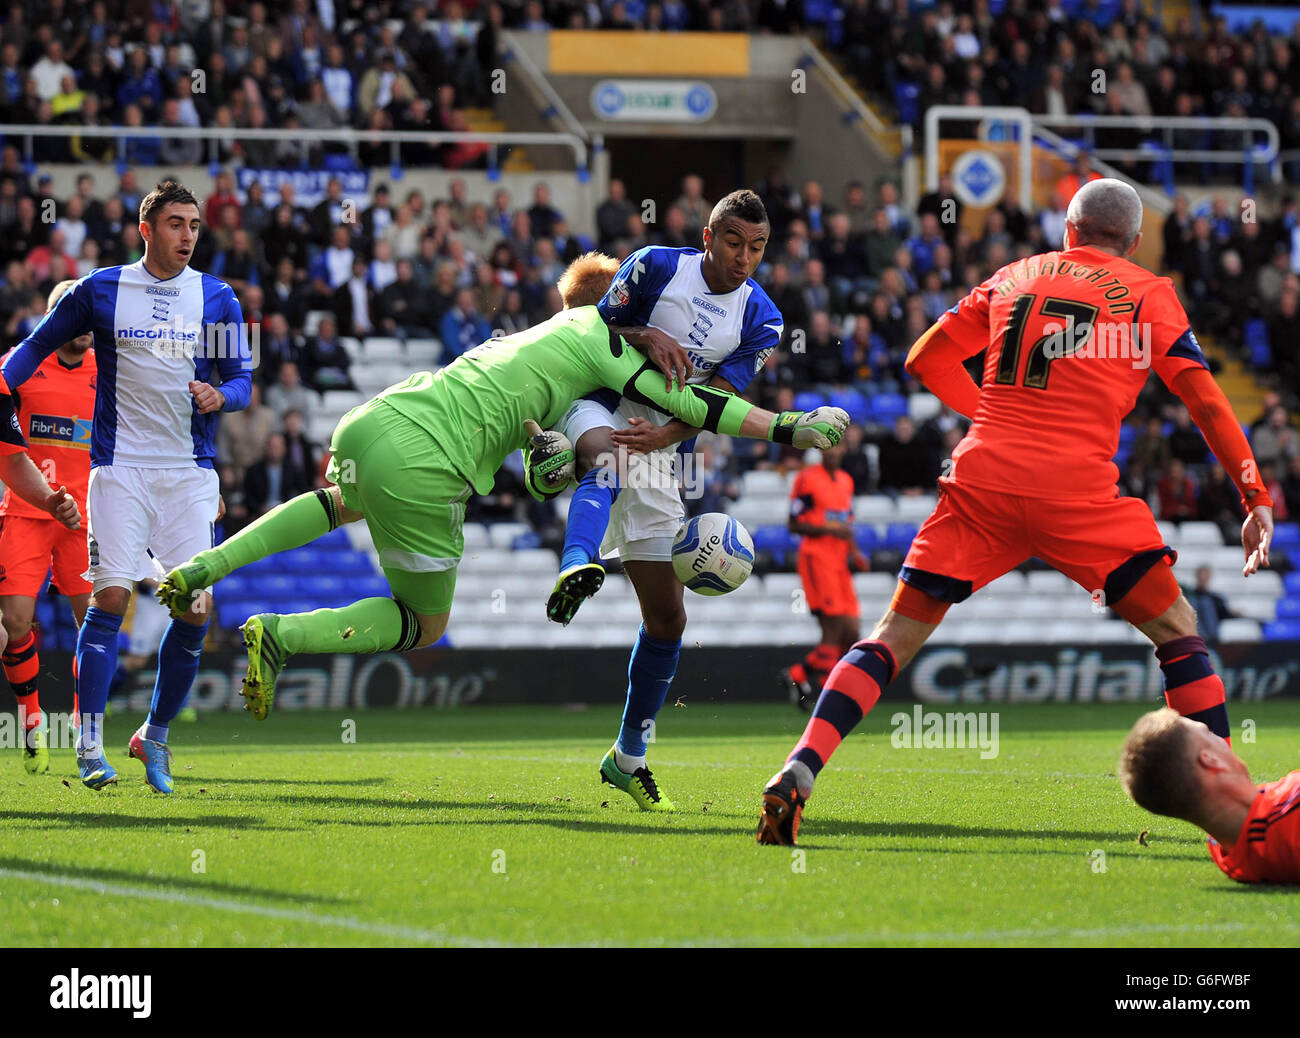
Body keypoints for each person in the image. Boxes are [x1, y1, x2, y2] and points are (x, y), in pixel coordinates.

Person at [757, 179, 1275, 845]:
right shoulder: (1150, 293)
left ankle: (801, 765)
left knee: (889, 638)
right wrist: (1254, 496)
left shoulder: (1014, 275)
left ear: (1068, 229)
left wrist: (994, 419)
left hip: (984, 481)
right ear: (1135, 242)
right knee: (1179, 633)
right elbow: (1204, 402)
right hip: (1078, 494)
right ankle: (1229, 822)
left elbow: (925, 358)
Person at [156, 255, 847, 739]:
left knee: (339, 501)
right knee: (423, 625)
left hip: (380, 419)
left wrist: (554, 463)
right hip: (429, 463)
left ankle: (201, 569)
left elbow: (542, 468)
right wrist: (787, 426)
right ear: (623, 309)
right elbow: (700, 403)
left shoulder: (537, 344)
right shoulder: (597, 338)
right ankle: (281, 635)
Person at [1, 180, 252, 793]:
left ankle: (154, 735)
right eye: (175, 223)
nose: (188, 235)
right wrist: (2, 387)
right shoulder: (100, 290)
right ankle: (88, 745)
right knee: (110, 600)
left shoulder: (217, 299)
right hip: (118, 472)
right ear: (147, 229)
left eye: (194, 224)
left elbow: (242, 378)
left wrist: (221, 395)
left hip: (189, 471)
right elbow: (30, 351)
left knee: (196, 607)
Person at [544, 190, 784, 813]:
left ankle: (628, 758)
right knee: (608, 457)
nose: (744, 258)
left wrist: (667, 435)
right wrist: (647, 333)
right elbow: (595, 329)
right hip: (596, 402)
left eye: (757, 247)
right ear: (708, 236)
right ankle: (576, 560)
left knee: (668, 620)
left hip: (658, 443)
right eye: (734, 242)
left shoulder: (762, 318)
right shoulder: (654, 265)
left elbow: (719, 405)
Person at [0, 279, 89, 773]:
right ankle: (32, 724)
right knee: (13, 623)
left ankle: (84, 727)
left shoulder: (110, 371)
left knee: (95, 623)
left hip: (85, 517)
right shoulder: (20, 366)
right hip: (27, 512)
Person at [1120, 709, 1300, 883]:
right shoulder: (1290, 814)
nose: (1221, 738)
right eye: (1208, 732)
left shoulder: (1226, 853)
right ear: (1210, 759)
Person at [783, 443, 867, 708]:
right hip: (816, 558)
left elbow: (846, 523)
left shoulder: (846, 481)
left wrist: (855, 552)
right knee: (833, 627)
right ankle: (826, 695)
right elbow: (794, 524)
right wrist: (829, 531)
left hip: (840, 562)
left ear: (843, 449)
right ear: (820, 451)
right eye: (828, 448)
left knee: (852, 632)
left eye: (838, 447)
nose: (832, 452)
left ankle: (797, 675)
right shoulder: (807, 478)